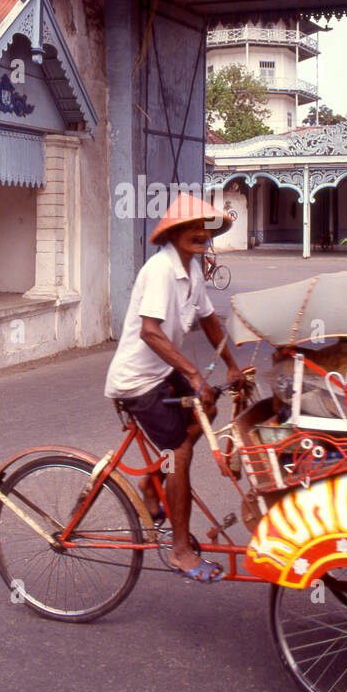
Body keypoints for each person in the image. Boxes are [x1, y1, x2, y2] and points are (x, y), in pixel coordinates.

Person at [104, 192, 246, 582]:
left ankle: (151, 483)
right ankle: (181, 550)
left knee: (210, 408)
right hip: (136, 381)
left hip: (162, 373)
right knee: (179, 454)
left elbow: (210, 320)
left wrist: (234, 367)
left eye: (207, 229)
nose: (202, 234)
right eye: (193, 228)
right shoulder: (161, 269)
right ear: (176, 233)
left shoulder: (193, 269)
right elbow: (151, 333)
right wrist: (195, 376)